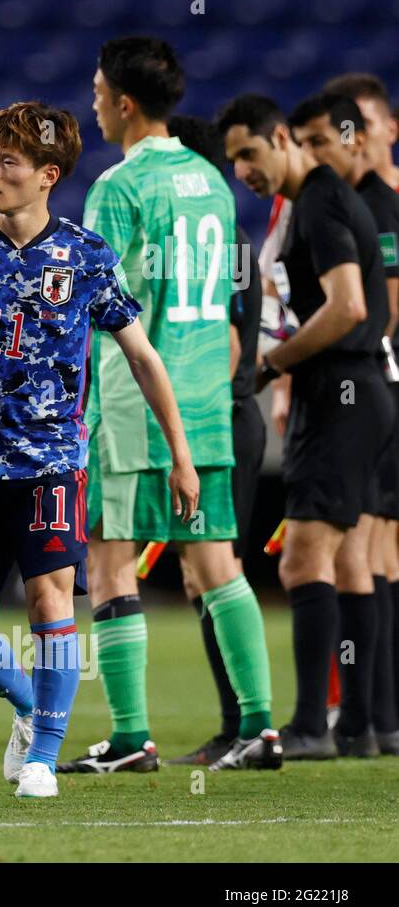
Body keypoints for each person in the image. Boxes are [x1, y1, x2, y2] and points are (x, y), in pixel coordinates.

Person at [0, 101, 197, 797]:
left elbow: (142, 354)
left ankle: (44, 757)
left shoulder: (86, 256)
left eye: (8, 162)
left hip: (52, 465)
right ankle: (32, 709)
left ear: (47, 175)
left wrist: (179, 452)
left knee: (50, 597)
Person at [62, 37, 279, 775]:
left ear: (125, 102)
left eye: (96, 91)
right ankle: (258, 726)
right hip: (207, 400)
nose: (91, 103)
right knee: (219, 563)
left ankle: (130, 737)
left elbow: (102, 306)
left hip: (134, 404)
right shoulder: (213, 185)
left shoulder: (118, 188)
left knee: (110, 560)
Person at [219, 93, 393, 759]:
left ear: (283, 138)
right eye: (234, 158)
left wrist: (272, 363)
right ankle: (362, 724)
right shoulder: (319, 199)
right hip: (359, 392)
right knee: (349, 561)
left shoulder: (319, 199)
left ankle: (309, 727)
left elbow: (347, 305)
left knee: (302, 560)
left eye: (250, 153)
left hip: (342, 393)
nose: (243, 169)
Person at [288, 90, 399, 754]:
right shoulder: (363, 203)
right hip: (381, 386)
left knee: (363, 552)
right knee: (372, 552)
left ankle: (364, 716)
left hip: (372, 385)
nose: (313, 156)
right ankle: (375, 717)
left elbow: (383, 311)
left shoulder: (371, 207)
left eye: (322, 141)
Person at [162, 114, 267, 766]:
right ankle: (237, 725)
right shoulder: (221, 235)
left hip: (220, 418)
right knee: (204, 572)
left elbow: (228, 343)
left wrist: (187, 429)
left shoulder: (219, 240)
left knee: (216, 569)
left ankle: (246, 725)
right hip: (220, 415)